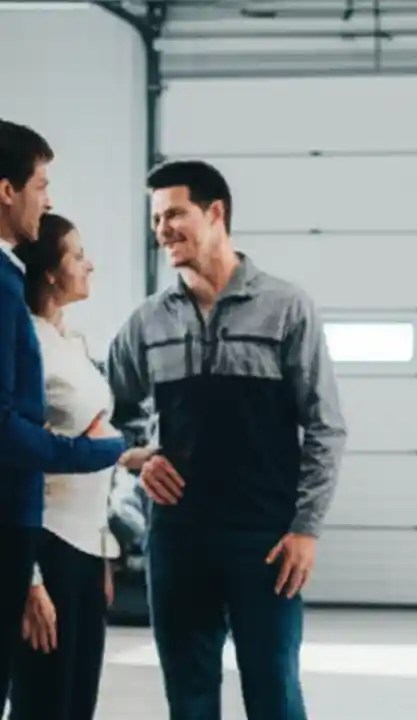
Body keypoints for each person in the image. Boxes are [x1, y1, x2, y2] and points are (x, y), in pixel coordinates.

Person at [106, 159, 347, 720]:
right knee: (188, 699)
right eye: (157, 219)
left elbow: (325, 426)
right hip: (178, 538)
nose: (162, 229)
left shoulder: (286, 308)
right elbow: (99, 419)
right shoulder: (147, 323)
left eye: (174, 214)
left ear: (215, 213)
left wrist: (305, 530)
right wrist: (136, 457)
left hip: (265, 540)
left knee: (274, 694)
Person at [0, 120, 126, 710]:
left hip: (80, 546)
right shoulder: (18, 316)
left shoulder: (70, 341)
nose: (90, 264)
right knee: (44, 703)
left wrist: (101, 548)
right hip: (38, 541)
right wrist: (30, 578)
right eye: (78, 254)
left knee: (75, 703)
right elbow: (12, 439)